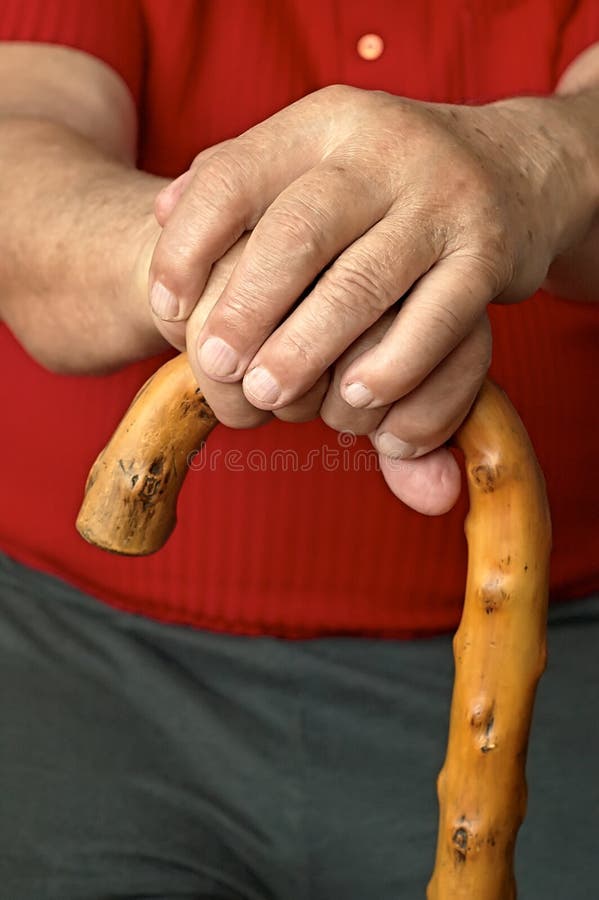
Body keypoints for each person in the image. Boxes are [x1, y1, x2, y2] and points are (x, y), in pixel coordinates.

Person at [0, 1, 598, 898]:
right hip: (77, 646)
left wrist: (530, 160)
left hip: (565, 642)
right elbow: (19, 153)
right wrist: (232, 277)